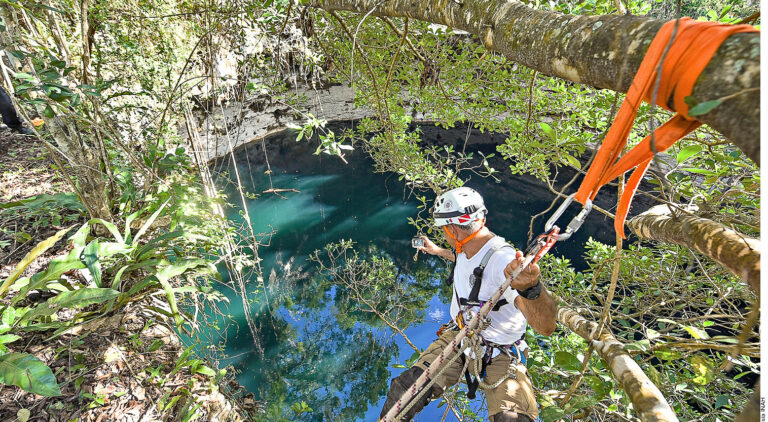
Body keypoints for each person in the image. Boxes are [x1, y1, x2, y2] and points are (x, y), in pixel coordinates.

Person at [379, 187, 557, 422]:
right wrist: (436, 251)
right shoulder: (469, 246)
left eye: (444, 230)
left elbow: (545, 327)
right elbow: (463, 259)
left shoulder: (503, 262)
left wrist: (531, 287)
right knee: (405, 388)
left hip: (500, 353)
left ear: (452, 229)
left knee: (512, 419)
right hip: (461, 338)